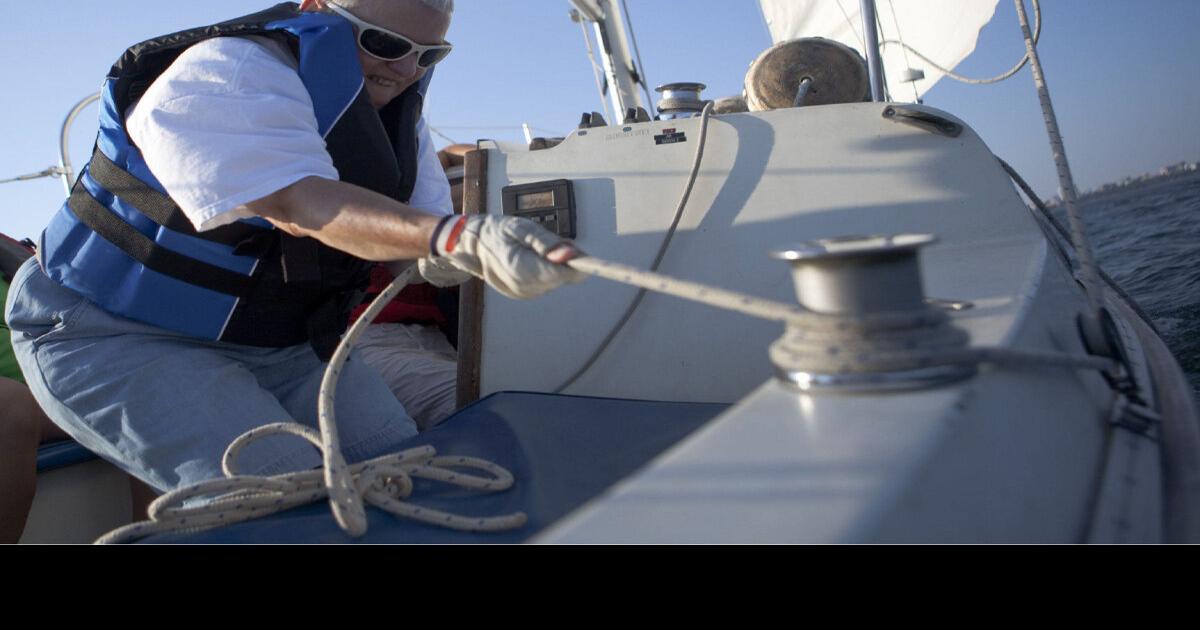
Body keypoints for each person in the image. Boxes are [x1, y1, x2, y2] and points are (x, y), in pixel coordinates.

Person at [4, 0, 581, 495]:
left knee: (413, 478)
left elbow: (413, 245)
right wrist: (454, 236)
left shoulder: (393, 120)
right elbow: (301, 206)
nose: (406, 69)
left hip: (284, 347)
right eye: (385, 42)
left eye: (429, 56)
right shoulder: (225, 73)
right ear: (314, 10)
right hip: (114, 335)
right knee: (291, 496)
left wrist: (468, 254)